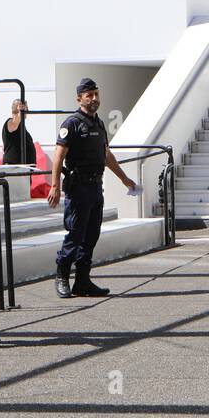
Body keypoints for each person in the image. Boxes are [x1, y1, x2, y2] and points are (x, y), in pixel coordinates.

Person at [50, 78, 138, 299]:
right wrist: (54, 186)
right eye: (89, 95)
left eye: (96, 94)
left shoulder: (98, 124)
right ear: (79, 98)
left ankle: (82, 281)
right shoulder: (71, 124)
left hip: (95, 187)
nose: (94, 99)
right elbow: (58, 156)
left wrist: (124, 179)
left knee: (91, 236)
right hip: (78, 188)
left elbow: (107, 155)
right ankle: (62, 277)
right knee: (76, 234)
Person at [2, 98, 37, 166]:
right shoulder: (11, 122)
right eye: (26, 109)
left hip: (21, 168)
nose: (27, 111)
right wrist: (20, 112)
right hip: (14, 167)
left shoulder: (20, 125)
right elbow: (15, 120)